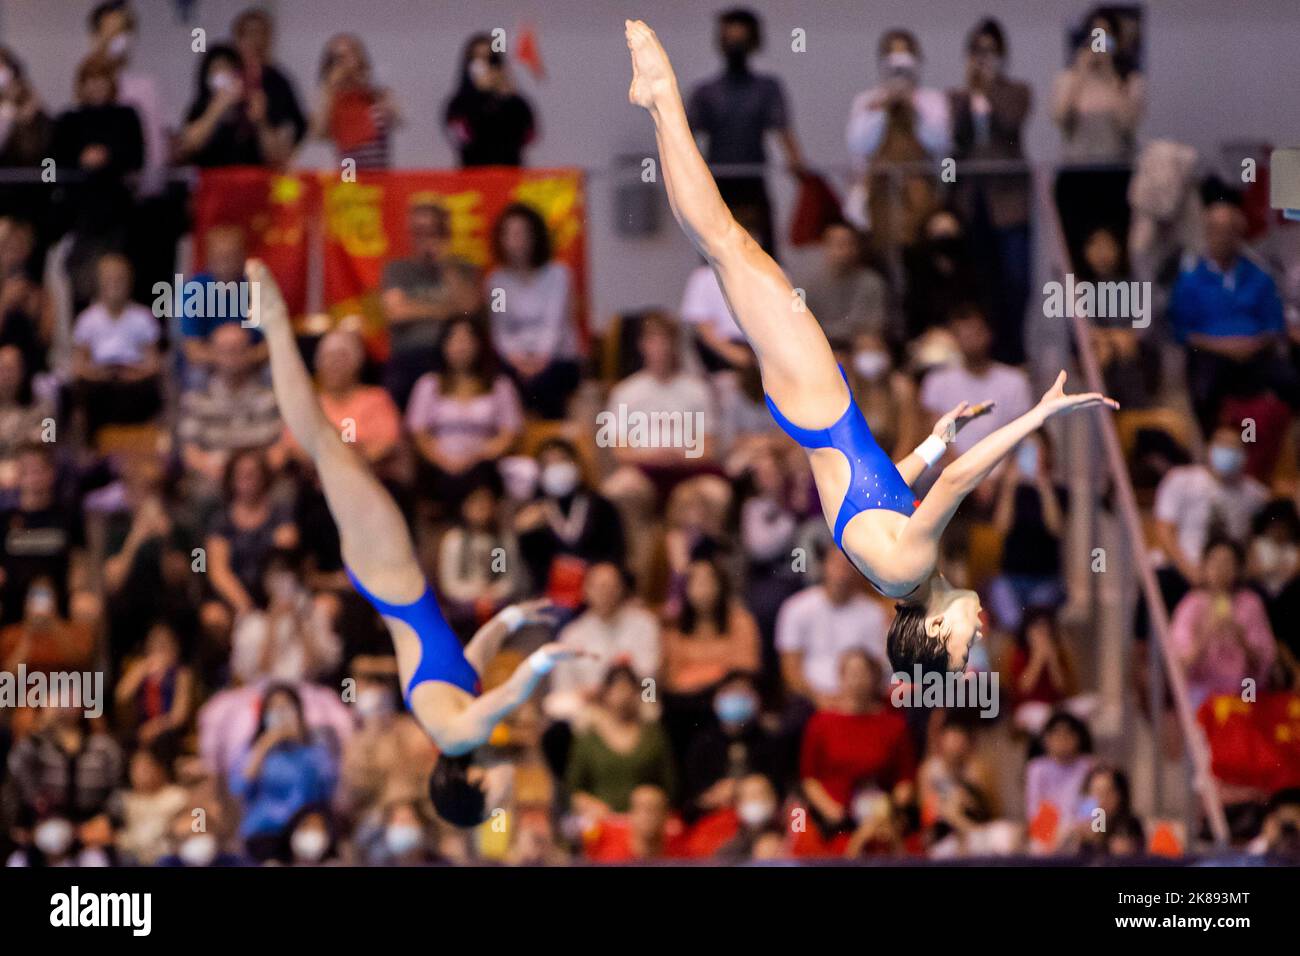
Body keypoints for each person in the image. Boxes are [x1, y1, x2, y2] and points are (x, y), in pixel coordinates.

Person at [625, 14, 1117, 677]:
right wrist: (938, 441)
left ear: (937, 633)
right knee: (726, 251)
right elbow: (884, 486)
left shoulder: (909, 565)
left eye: (967, 641)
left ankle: (662, 98)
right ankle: (660, 108)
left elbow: (965, 479)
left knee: (730, 245)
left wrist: (1038, 416)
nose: (980, 628)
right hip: (817, 414)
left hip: (822, 410)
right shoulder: (898, 571)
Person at [253, 258, 586, 828]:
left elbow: (505, 700)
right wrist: (511, 622)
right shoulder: (460, 714)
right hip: (392, 579)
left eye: (498, 800)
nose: (511, 792)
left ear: (475, 786)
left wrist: (545, 660)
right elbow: (471, 659)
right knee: (327, 446)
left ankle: (275, 328)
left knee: (324, 445)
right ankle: (275, 330)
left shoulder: (459, 732)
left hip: (390, 578)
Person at [1169, 200, 1299, 437]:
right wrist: (1224, 346)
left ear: (1239, 235)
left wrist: (1251, 345)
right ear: (1207, 233)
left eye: (1229, 231)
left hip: (1255, 352)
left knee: (1290, 381)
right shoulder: (1190, 280)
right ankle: (1213, 448)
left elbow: (1274, 324)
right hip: (1212, 355)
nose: (1222, 237)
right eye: (1216, 230)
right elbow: (1182, 331)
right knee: (1202, 389)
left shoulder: (1259, 276)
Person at [948, 18, 1033, 365]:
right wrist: (971, 93)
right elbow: (956, 136)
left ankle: (1014, 350)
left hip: (1009, 200)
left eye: (990, 51)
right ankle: (987, 352)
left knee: (1016, 277)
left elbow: (1010, 126)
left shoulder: (1017, 91)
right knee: (982, 280)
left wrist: (989, 90)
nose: (983, 58)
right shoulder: (958, 96)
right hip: (973, 199)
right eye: (977, 51)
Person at [686, 8, 804, 256]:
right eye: (730, 36)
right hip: (718, 178)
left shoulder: (766, 88)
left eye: (741, 37)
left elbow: (782, 129)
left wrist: (799, 167)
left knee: (764, 249)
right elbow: (686, 138)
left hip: (753, 176)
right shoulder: (706, 92)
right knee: (714, 248)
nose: (735, 44)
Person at [1051, 9, 1145, 269]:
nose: (1100, 43)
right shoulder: (1069, 79)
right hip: (1077, 178)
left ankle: (1118, 310)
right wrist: (1081, 74)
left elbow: (1129, 123)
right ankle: (1081, 309)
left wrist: (1110, 77)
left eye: (1106, 37)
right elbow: (1059, 118)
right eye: (1095, 36)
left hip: (1115, 176)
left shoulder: (1129, 81)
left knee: (1116, 256)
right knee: (1078, 258)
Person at [844, 29, 949, 251]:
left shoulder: (931, 100)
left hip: (920, 188)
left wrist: (913, 107)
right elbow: (858, 144)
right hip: (880, 189)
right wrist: (882, 109)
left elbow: (939, 141)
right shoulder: (867, 101)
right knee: (881, 250)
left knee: (918, 250)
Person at [405, 315, 523, 509]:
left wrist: (477, 456)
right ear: (443, 345)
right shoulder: (428, 384)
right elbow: (419, 434)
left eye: (467, 340)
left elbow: (509, 433)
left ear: (479, 344)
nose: (461, 347)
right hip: (440, 464)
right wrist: (445, 461)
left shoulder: (500, 385)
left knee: (481, 476)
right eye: (454, 340)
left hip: (484, 463)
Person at [379, 201, 483, 409]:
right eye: (419, 232)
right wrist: (445, 309)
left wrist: (445, 264)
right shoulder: (398, 270)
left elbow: (468, 309)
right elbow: (397, 313)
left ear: (445, 234)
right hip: (410, 355)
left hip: (455, 354)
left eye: (433, 232)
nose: (425, 239)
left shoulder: (463, 267)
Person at [485, 203, 579, 419]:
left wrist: (540, 360)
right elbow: (501, 330)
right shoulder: (497, 282)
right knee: (503, 383)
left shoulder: (557, 275)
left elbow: (553, 323)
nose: (517, 241)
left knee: (546, 382)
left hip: (556, 357)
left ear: (536, 236)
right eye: (510, 234)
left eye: (523, 233)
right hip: (516, 359)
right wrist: (517, 360)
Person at [1169, 537, 1277, 709]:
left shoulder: (1251, 603)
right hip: (1202, 690)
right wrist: (1207, 633)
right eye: (1214, 561)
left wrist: (1241, 639)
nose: (1220, 569)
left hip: (1244, 689)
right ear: (1204, 567)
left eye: (1228, 562)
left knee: (1252, 700)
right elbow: (1181, 664)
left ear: (1238, 569)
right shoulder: (1191, 604)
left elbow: (1264, 662)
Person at [775, 546, 889, 707]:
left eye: (849, 565)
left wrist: (852, 701)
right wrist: (819, 699)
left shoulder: (874, 613)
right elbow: (790, 669)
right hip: (808, 699)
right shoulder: (795, 608)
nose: (842, 572)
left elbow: (876, 669)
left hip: (858, 701)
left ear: (859, 571)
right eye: (837, 563)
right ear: (824, 565)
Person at [69, 251, 161, 437]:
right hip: (99, 380)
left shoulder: (143, 317)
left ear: (130, 282)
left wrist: (133, 374)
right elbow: (78, 365)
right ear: (99, 282)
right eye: (109, 279)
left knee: (146, 393)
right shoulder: (87, 319)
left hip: (133, 378)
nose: (115, 284)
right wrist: (99, 374)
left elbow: (154, 364)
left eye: (120, 279)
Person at [565, 664, 677, 818]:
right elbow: (574, 789)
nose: (623, 696)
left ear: (637, 693)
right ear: (605, 693)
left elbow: (669, 786)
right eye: (617, 689)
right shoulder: (588, 738)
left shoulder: (653, 735)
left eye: (628, 689)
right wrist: (591, 806)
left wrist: (650, 805)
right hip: (601, 824)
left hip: (645, 821)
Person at [178, 44, 295, 168]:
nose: (223, 75)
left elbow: (276, 157)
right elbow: (189, 145)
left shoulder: (251, 105)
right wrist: (218, 107)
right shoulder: (199, 108)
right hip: (213, 183)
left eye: (228, 69)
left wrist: (261, 121)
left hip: (251, 180)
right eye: (215, 70)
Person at [444, 34, 536, 167]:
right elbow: (461, 138)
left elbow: (528, 135)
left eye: (490, 60)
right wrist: (480, 97)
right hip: (473, 175)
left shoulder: (516, 102)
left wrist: (507, 101)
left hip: (510, 172)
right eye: (477, 59)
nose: (484, 66)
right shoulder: (458, 104)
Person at [311, 33, 399, 170]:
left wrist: (365, 85)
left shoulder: (377, 94)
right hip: (349, 171)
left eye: (349, 55)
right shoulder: (331, 98)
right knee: (350, 185)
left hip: (380, 173)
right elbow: (318, 133)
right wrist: (330, 89)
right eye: (338, 58)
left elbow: (397, 119)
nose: (344, 63)